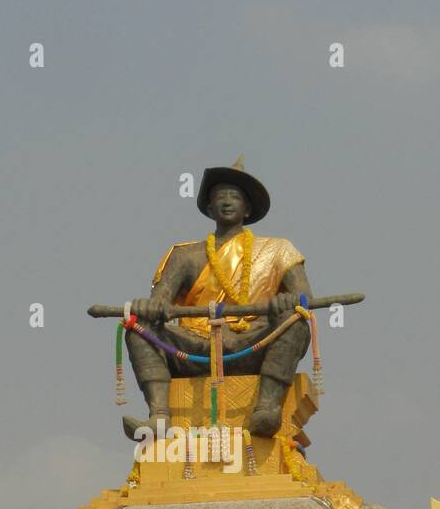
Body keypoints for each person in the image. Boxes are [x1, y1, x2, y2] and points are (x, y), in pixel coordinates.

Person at [123, 157, 311, 439]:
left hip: (252, 343)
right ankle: (159, 415)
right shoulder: (185, 255)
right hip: (196, 347)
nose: (226, 202)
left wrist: (286, 303)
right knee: (139, 328)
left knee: (295, 323)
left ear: (248, 208)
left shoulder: (278, 250)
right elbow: (160, 299)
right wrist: (149, 307)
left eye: (234, 197)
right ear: (209, 208)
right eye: (219, 197)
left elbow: (304, 297)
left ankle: (267, 409)